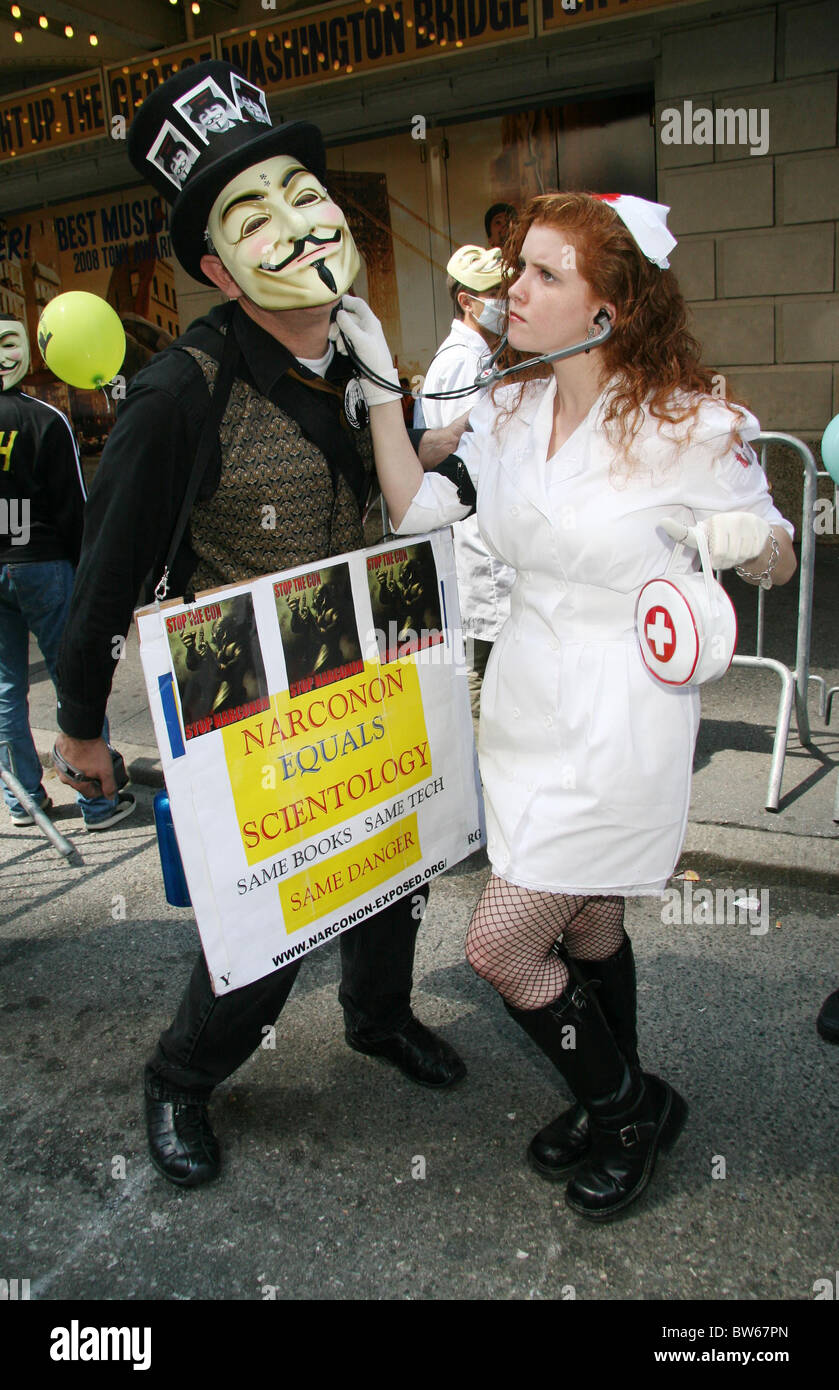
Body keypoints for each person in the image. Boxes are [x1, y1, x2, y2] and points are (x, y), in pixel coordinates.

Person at [333, 190, 797, 1221]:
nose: (514, 291)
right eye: (516, 269)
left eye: (544, 275)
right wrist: (375, 387)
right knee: (585, 919)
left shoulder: (689, 424)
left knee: (498, 947)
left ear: (607, 306)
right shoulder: (503, 409)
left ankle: (628, 1108)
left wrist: (738, 544)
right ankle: (610, 1101)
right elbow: (414, 504)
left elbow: (775, 546)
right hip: (530, 698)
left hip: (622, 709)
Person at [52, 61, 466, 1189]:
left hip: (374, 677)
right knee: (265, 939)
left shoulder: (367, 356)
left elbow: (421, 496)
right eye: (251, 215)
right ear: (211, 267)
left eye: (303, 194)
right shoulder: (178, 393)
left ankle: (379, 1016)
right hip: (250, 707)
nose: (295, 227)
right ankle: (182, 1075)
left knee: (393, 872)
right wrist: (82, 723)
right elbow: (105, 576)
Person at [0, 315, 134, 830]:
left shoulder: (47, 419)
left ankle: (23, 803)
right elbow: (75, 508)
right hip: (42, 562)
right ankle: (97, 801)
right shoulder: (44, 420)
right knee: (73, 680)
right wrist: (89, 578)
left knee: (7, 688)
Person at [415, 245, 515, 730]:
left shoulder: (484, 352)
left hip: (491, 528)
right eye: (494, 293)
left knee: (497, 656)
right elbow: (453, 445)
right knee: (483, 662)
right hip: (477, 531)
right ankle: (479, 768)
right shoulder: (460, 360)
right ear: (467, 302)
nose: (505, 300)